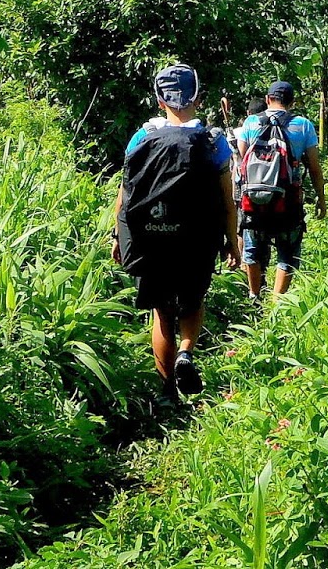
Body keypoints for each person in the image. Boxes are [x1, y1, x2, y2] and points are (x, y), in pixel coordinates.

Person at [113, 64, 240, 403]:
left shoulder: (142, 137)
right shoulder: (213, 142)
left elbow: (126, 195)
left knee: (161, 312)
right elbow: (227, 200)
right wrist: (232, 241)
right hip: (197, 241)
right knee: (192, 302)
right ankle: (186, 352)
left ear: (159, 101)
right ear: (197, 98)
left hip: (150, 238)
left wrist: (118, 237)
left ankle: (167, 390)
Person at [235, 81, 326, 299]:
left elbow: (242, 160)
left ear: (267, 99)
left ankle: (254, 296)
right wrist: (321, 199)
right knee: (287, 253)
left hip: (254, 200)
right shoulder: (303, 125)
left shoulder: (251, 122)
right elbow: (314, 168)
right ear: (292, 102)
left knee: (251, 250)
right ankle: (276, 303)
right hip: (288, 202)